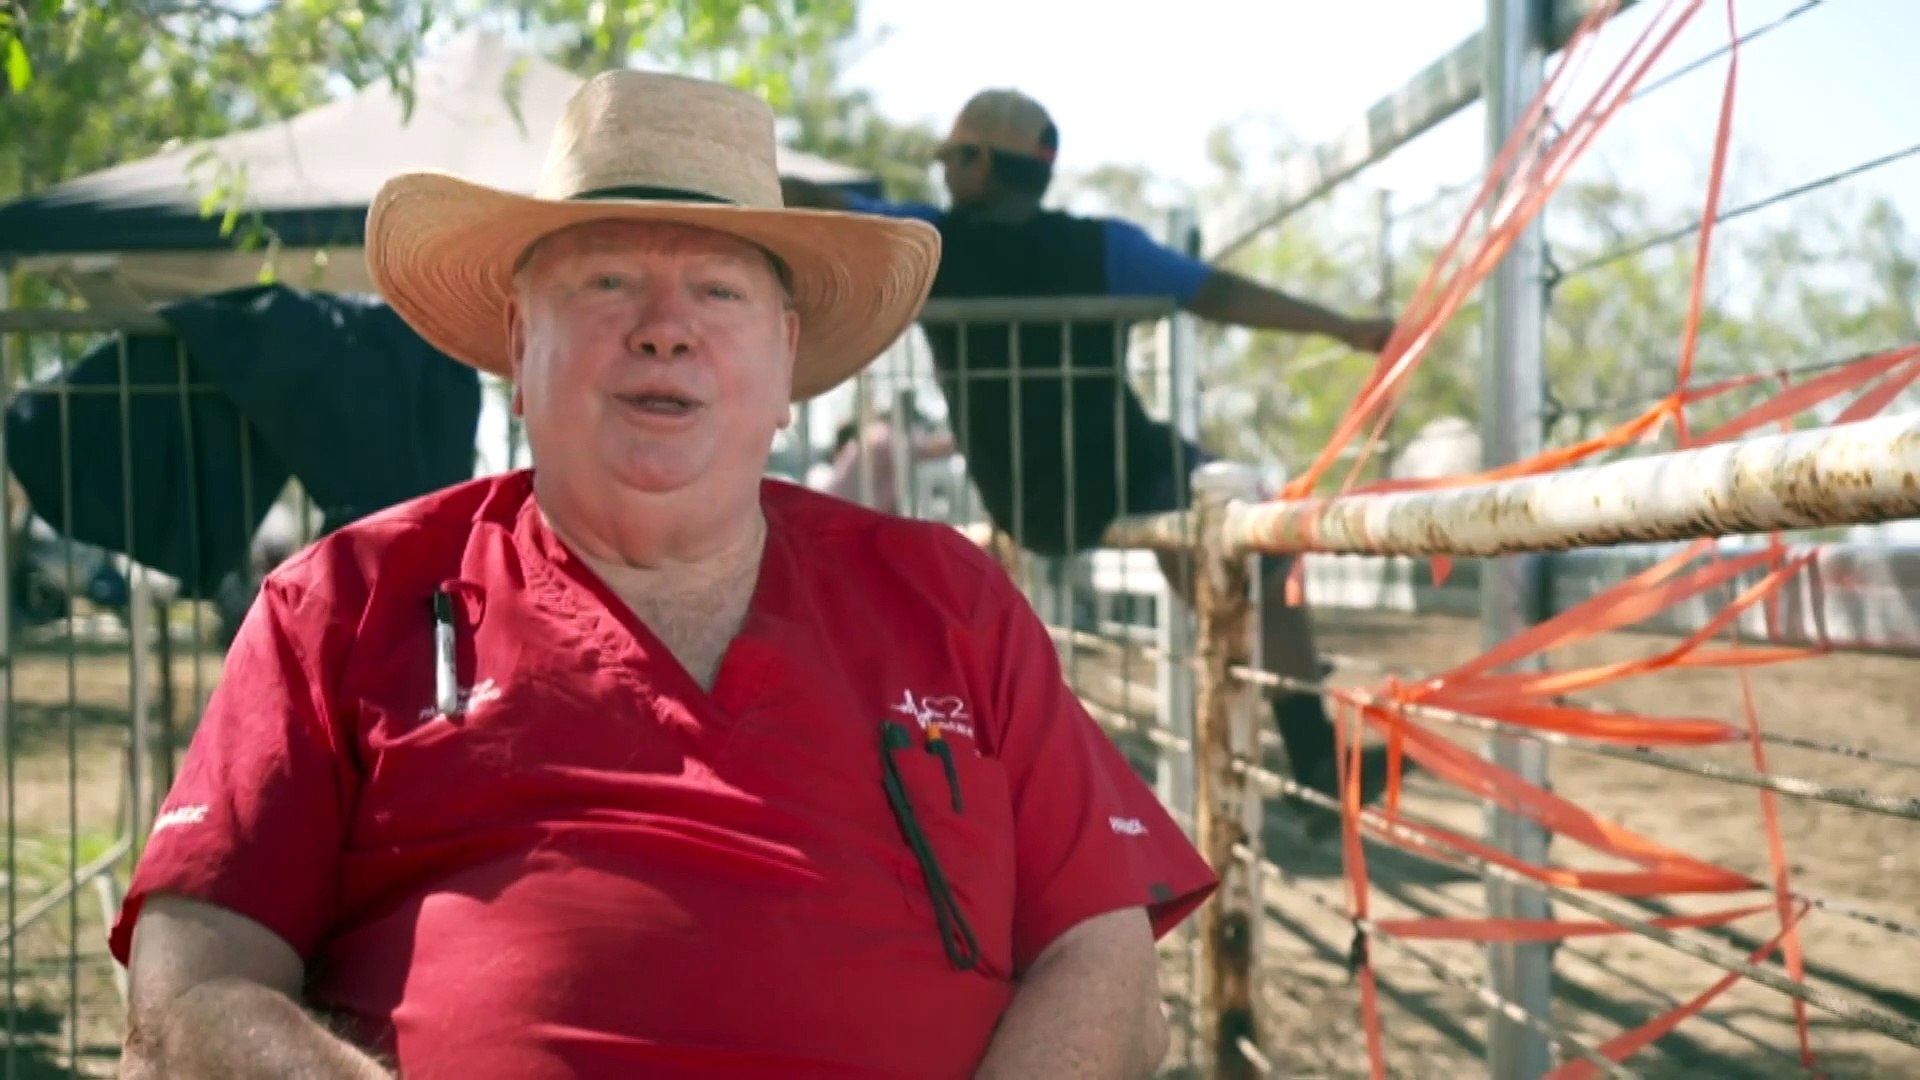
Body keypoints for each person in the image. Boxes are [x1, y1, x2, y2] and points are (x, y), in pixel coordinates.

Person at [111, 70, 1216, 1080]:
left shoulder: (952, 599)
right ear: (517, 344)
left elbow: (1107, 965)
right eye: (607, 279)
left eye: (720, 293)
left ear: (787, 362)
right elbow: (192, 984)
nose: (665, 331)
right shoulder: (341, 602)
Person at [782, 88, 1407, 813]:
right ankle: (1306, 753)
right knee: (1246, 550)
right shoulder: (1102, 248)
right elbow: (1222, 293)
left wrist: (775, 182)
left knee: (1224, 540)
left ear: (980, 162)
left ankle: (1283, 744)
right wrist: (1345, 329)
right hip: (1119, 466)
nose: (946, 174)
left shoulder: (925, 240)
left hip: (1018, 483)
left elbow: (808, 205)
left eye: (954, 159)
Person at [823, 391, 956, 514]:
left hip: (839, 509)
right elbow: (932, 448)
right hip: (843, 513)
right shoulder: (884, 438)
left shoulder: (874, 435)